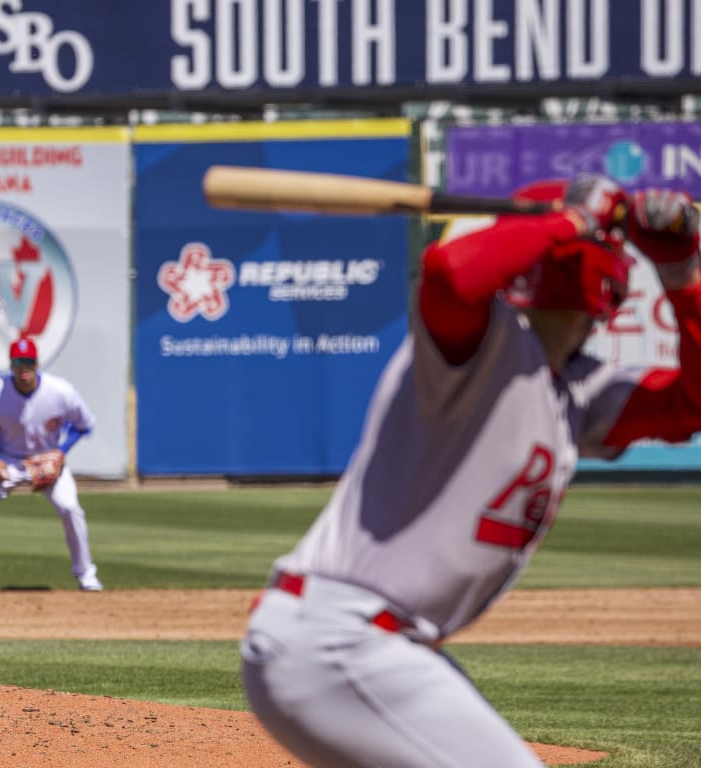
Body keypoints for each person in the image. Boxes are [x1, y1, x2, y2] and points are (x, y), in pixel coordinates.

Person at [239, 175, 701, 767]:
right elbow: (452, 273)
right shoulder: (483, 345)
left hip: (376, 645)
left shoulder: (576, 393)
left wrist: (682, 275)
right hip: (341, 638)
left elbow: (690, 401)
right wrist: (575, 221)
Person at [0, 336, 102, 593]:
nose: (23, 367)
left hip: (47, 460)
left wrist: (59, 453)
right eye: (18, 362)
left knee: (71, 508)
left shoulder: (60, 391)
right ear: (11, 365)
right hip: (8, 460)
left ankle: (86, 574)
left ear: (36, 363)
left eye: (28, 361)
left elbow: (84, 425)